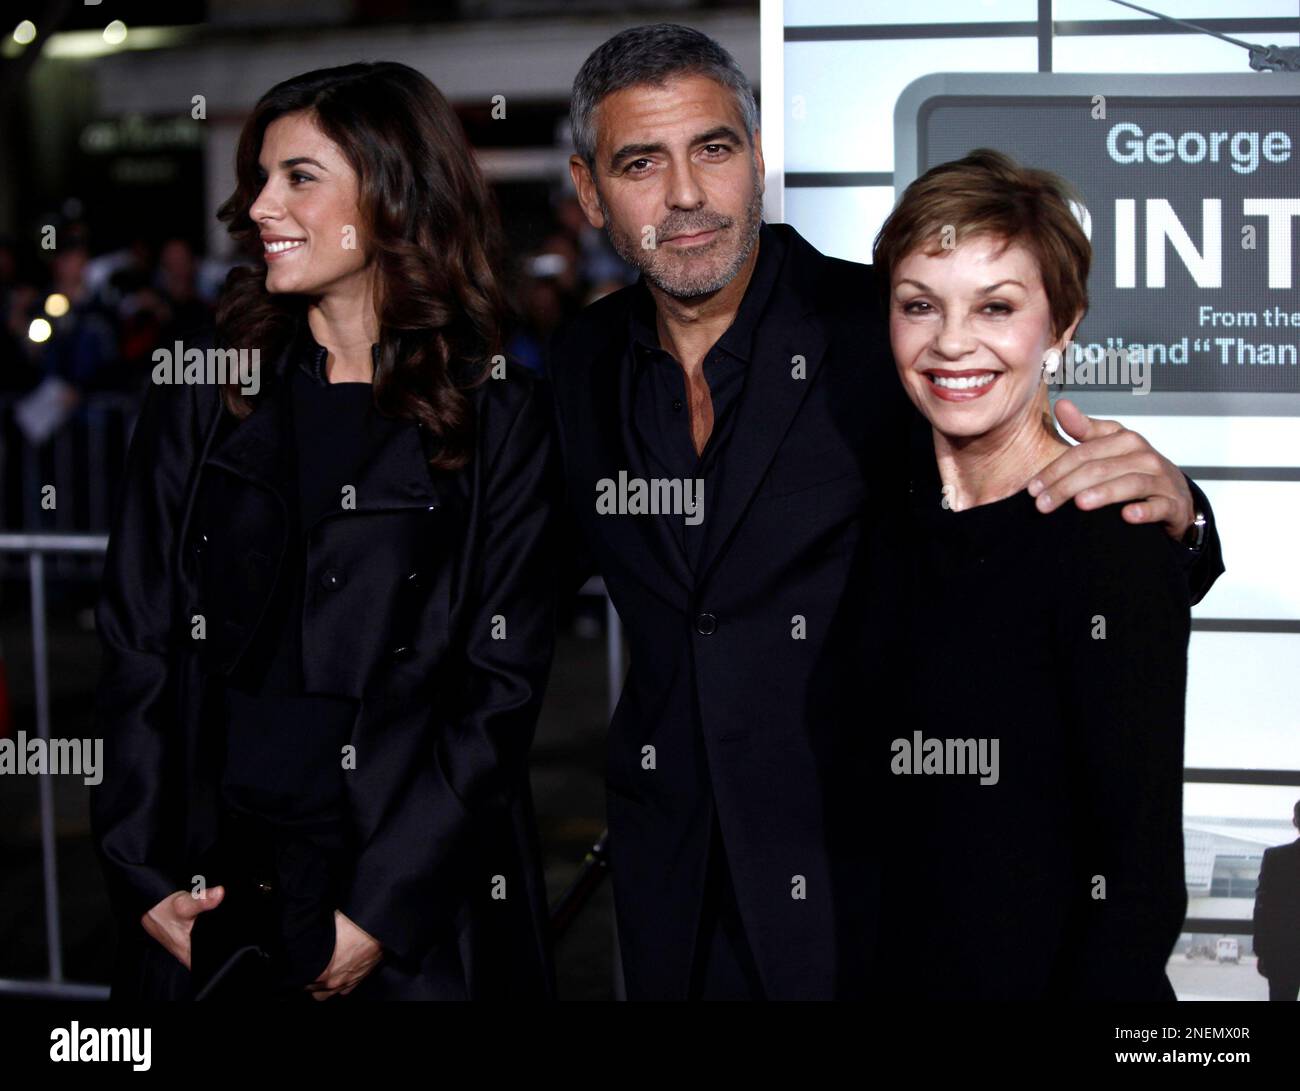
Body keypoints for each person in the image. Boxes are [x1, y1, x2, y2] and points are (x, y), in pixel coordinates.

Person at [548, 23, 1223, 1000]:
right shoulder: (582, 362)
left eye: (714, 149)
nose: (686, 194)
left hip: (857, 897)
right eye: (641, 162)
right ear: (589, 189)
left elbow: (1024, 527)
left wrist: (1183, 514)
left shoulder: (879, 324)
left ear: (757, 159)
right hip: (670, 891)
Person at [90, 62, 557, 1001]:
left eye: (299, 176)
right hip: (212, 887)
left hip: (411, 909)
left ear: (392, 193)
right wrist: (140, 871)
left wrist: (380, 913)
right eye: (260, 176)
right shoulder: (203, 392)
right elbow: (137, 634)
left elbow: (496, 691)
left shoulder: (498, 414)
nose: (262, 204)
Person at [871, 149, 1194, 1000]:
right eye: (919, 306)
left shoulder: (1112, 537)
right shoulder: (880, 513)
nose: (951, 341)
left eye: (996, 306)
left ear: (1062, 328)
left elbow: (1141, 885)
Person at [1254, 800, 1300, 1000]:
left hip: (1283, 951)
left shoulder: (1276, 858)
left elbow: (1263, 907)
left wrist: (1262, 949)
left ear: (1295, 821)